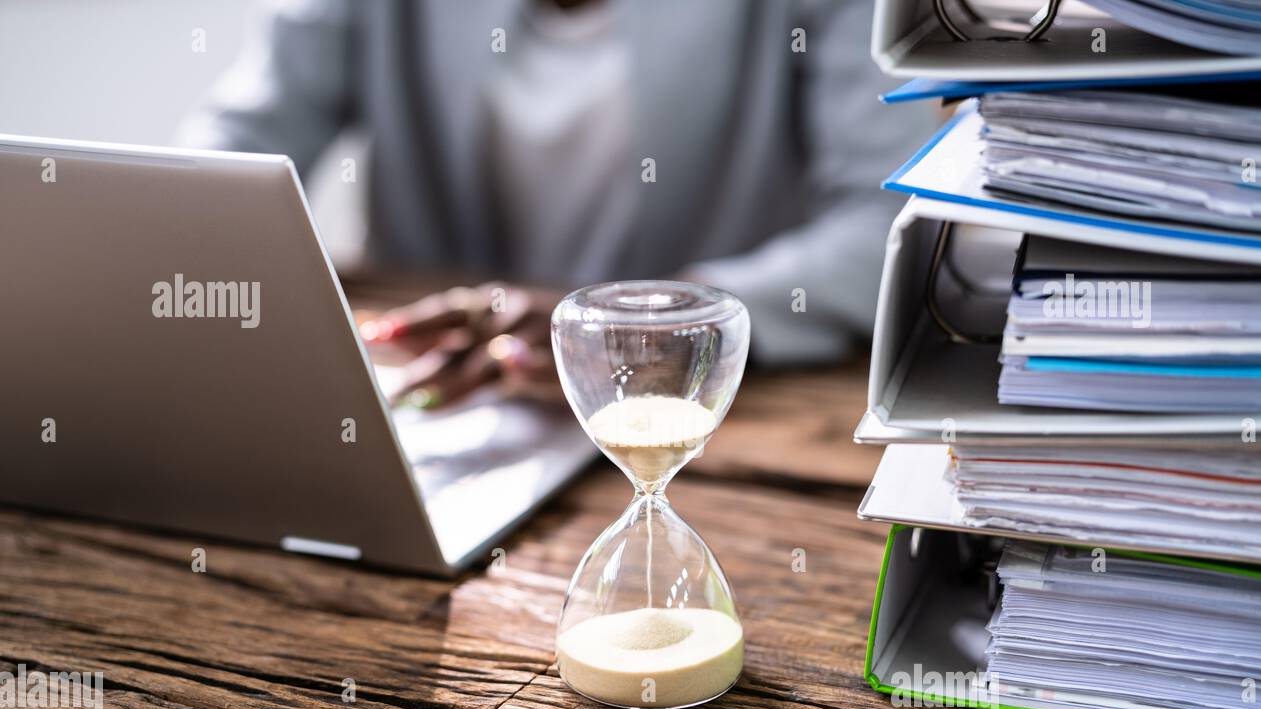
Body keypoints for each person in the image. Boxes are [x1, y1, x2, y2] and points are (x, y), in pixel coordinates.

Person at [179, 0, 932, 405]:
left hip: (714, 416)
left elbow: (893, 223)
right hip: (434, 391)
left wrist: (660, 324)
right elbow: (231, 153)